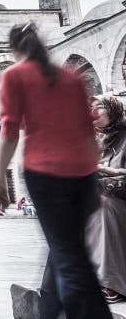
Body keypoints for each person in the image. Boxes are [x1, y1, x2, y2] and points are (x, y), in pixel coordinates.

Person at [0, 23, 111, 318]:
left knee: (69, 259)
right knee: (70, 251)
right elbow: (89, 132)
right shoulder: (69, 77)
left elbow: (9, 131)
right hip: (81, 175)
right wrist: (91, 178)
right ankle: (48, 309)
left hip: (46, 174)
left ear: (15, 48)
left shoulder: (15, 75)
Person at [87, 95, 126, 303]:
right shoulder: (92, 139)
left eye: (98, 107)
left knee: (103, 206)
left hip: (119, 198)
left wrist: (106, 171)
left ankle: (111, 283)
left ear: (113, 110)